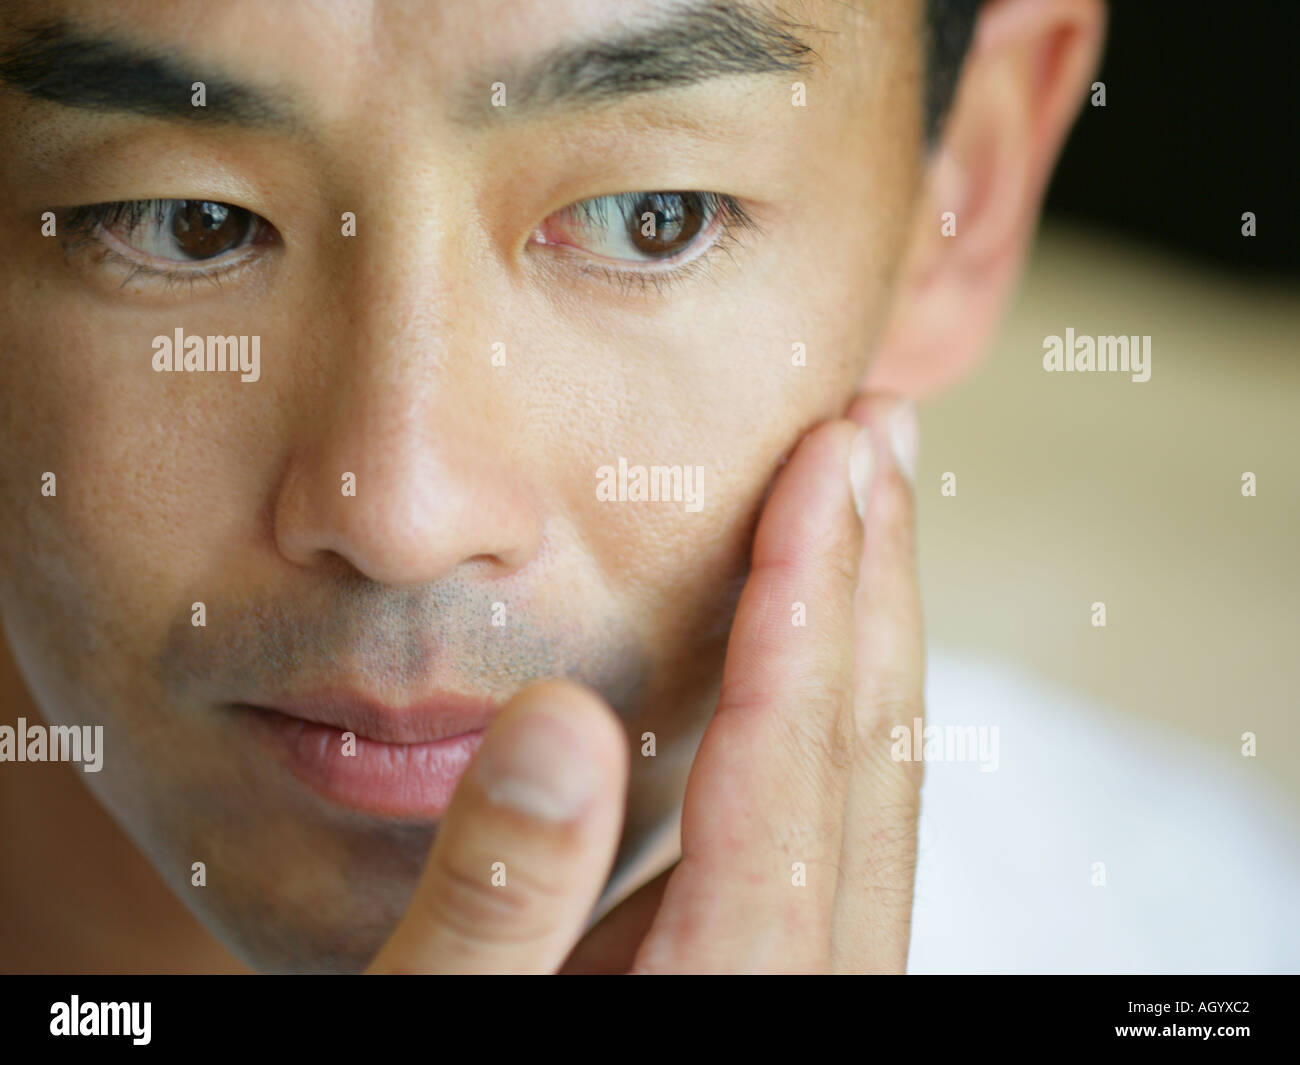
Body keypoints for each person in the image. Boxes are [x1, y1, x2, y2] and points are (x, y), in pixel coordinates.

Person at [10, 0, 1245, 974]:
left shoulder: (1213, 926)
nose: (402, 515)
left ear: (958, 202)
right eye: (181, 224)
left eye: (649, 220)